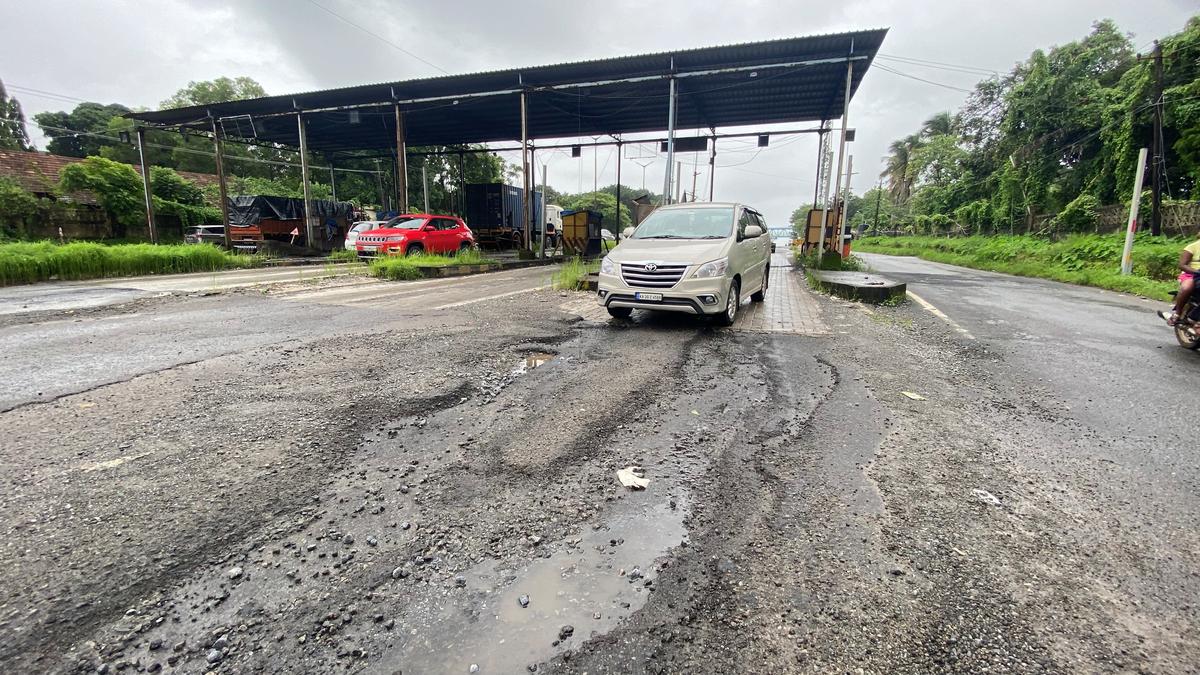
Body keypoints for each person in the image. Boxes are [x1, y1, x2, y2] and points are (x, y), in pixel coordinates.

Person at [1158, 237, 1200, 325]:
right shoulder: (1192, 247)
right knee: (1187, 287)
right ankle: (1177, 314)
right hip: (1191, 274)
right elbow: (1182, 265)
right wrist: (1197, 272)